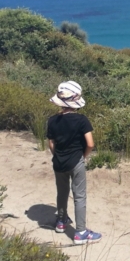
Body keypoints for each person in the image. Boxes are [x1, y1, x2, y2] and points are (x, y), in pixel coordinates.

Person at [46, 81, 102, 245]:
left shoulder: (52, 120)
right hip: (75, 161)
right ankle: (80, 232)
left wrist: (58, 155)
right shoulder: (81, 120)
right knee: (79, 196)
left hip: (58, 162)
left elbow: (51, 143)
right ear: (75, 103)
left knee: (61, 193)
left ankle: (61, 222)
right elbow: (90, 143)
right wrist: (83, 156)